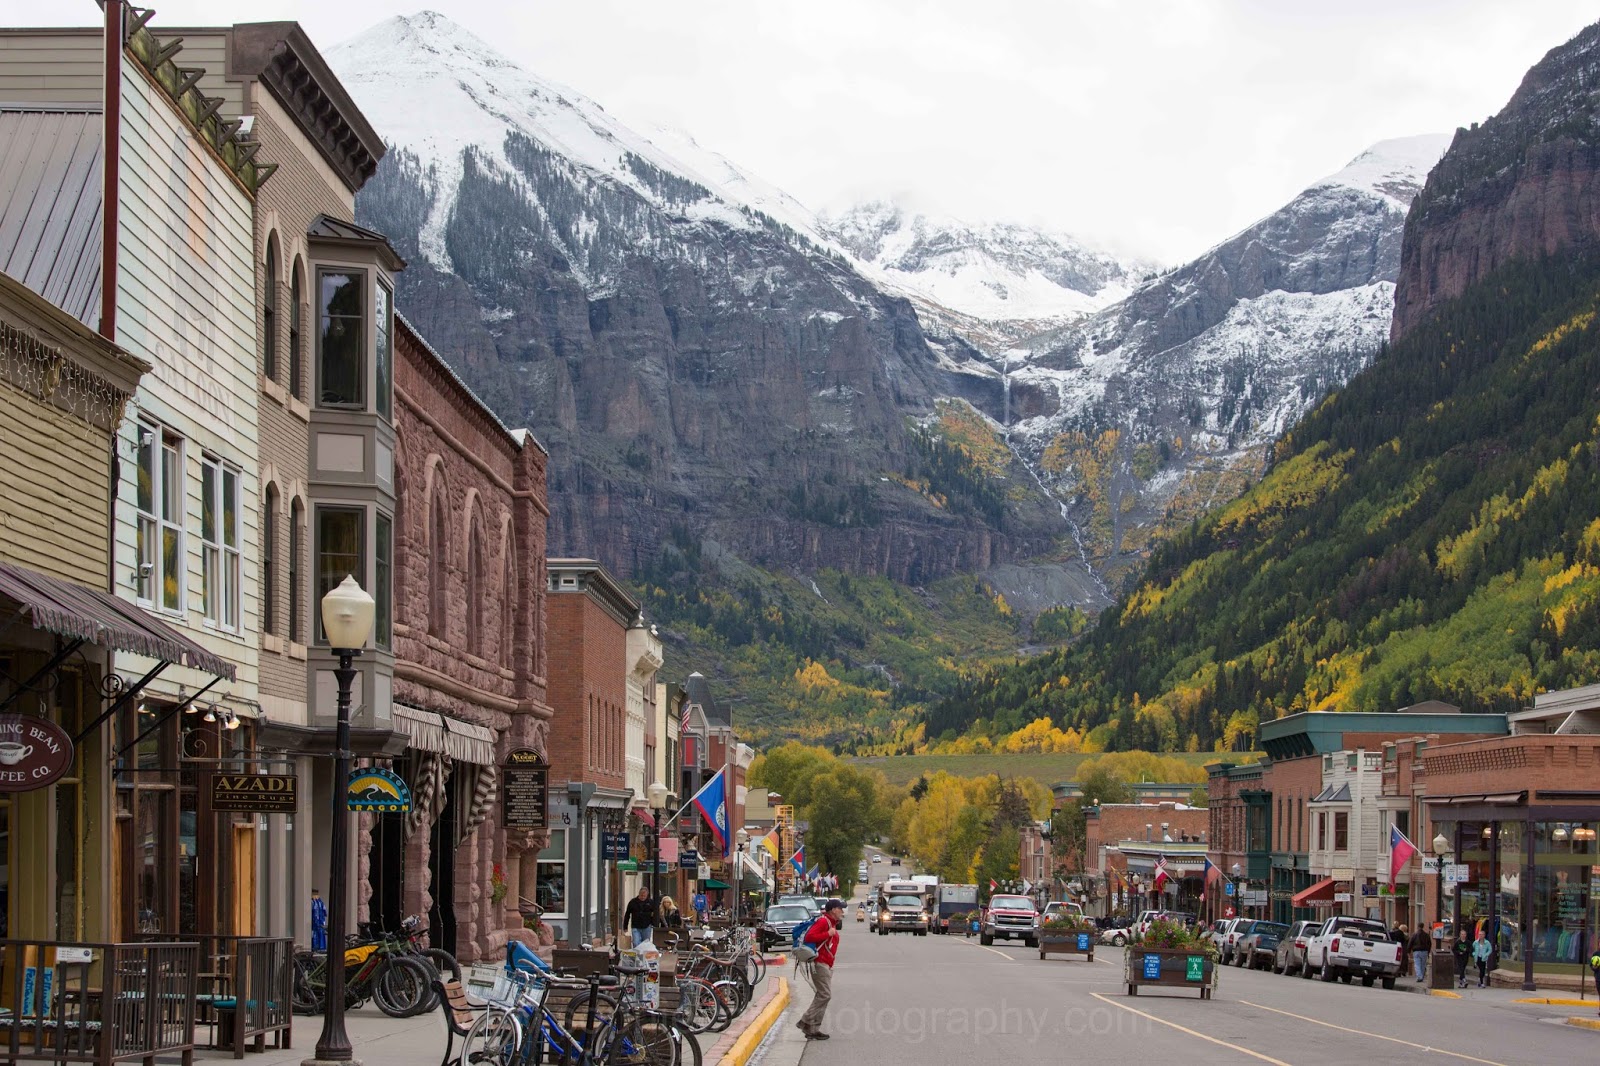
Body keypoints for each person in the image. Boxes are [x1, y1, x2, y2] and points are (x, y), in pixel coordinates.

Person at [796, 898, 845, 1041]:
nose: (842, 911)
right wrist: (828, 934)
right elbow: (809, 937)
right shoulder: (824, 921)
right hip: (819, 963)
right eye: (840, 909)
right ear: (833, 910)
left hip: (825, 964)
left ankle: (813, 1029)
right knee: (825, 995)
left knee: (822, 995)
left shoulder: (831, 923)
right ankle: (805, 1021)